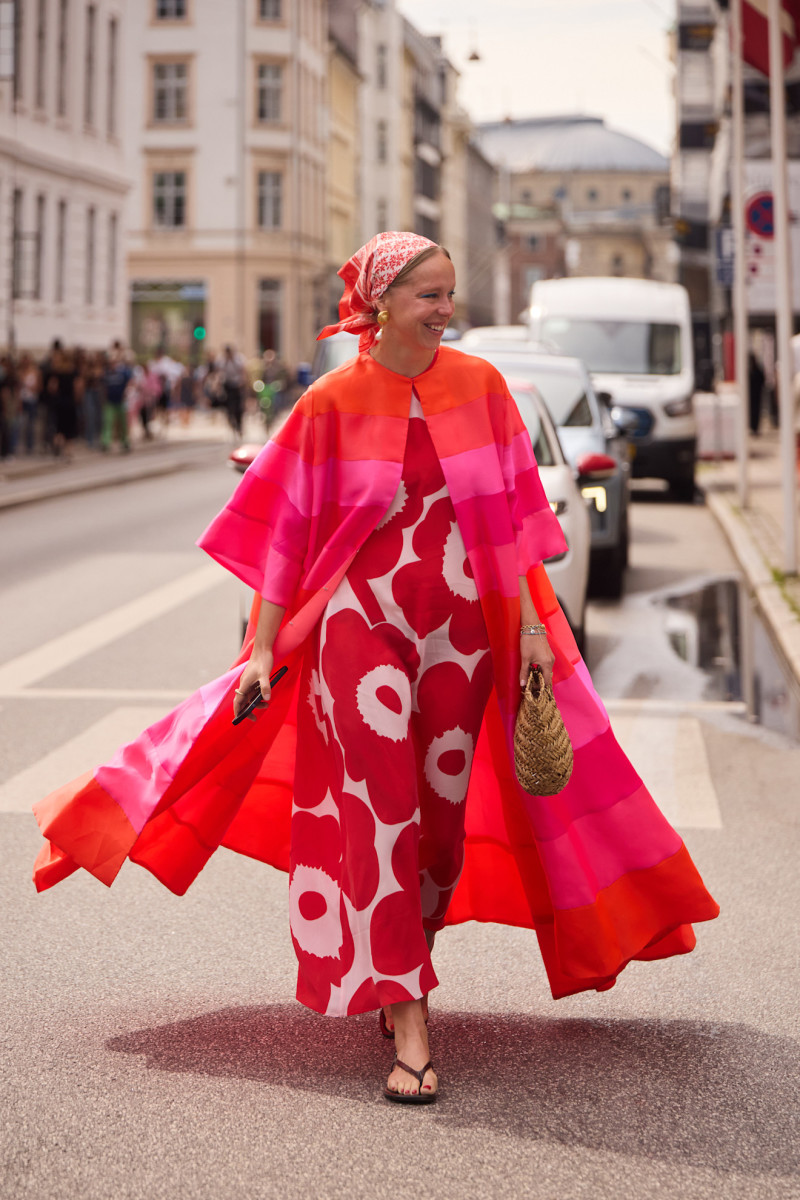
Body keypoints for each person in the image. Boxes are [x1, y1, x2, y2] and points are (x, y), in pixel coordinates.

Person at [31, 233, 719, 1106]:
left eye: (448, 293)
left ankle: (404, 953)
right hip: (361, 630)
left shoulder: (483, 387)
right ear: (382, 301)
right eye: (428, 295)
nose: (444, 309)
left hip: (467, 630)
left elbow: (510, 525)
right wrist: (259, 651)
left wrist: (537, 634)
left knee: (436, 828)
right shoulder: (330, 402)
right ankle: (409, 1013)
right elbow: (286, 537)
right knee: (379, 809)